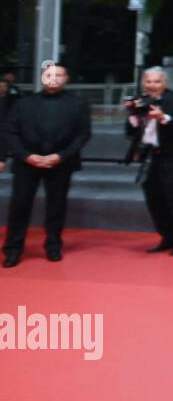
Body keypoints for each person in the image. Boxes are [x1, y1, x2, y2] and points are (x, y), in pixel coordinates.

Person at [2, 63, 90, 268]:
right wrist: (26, 155)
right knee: (19, 206)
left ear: (66, 78)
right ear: (42, 77)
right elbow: (9, 132)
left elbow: (82, 135)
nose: (53, 78)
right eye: (49, 75)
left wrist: (61, 156)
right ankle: (13, 250)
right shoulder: (23, 103)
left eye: (59, 75)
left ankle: (53, 246)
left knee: (56, 206)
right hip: (26, 163)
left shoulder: (78, 104)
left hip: (60, 163)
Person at [125, 66, 173, 256]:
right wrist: (133, 117)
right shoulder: (140, 100)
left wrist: (163, 117)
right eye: (148, 81)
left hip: (171, 155)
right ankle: (167, 236)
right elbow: (130, 133)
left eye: (156, 81)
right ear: (143, 83)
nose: (152, 85)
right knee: (153, 199)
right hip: (148, 155)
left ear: (164, 83)